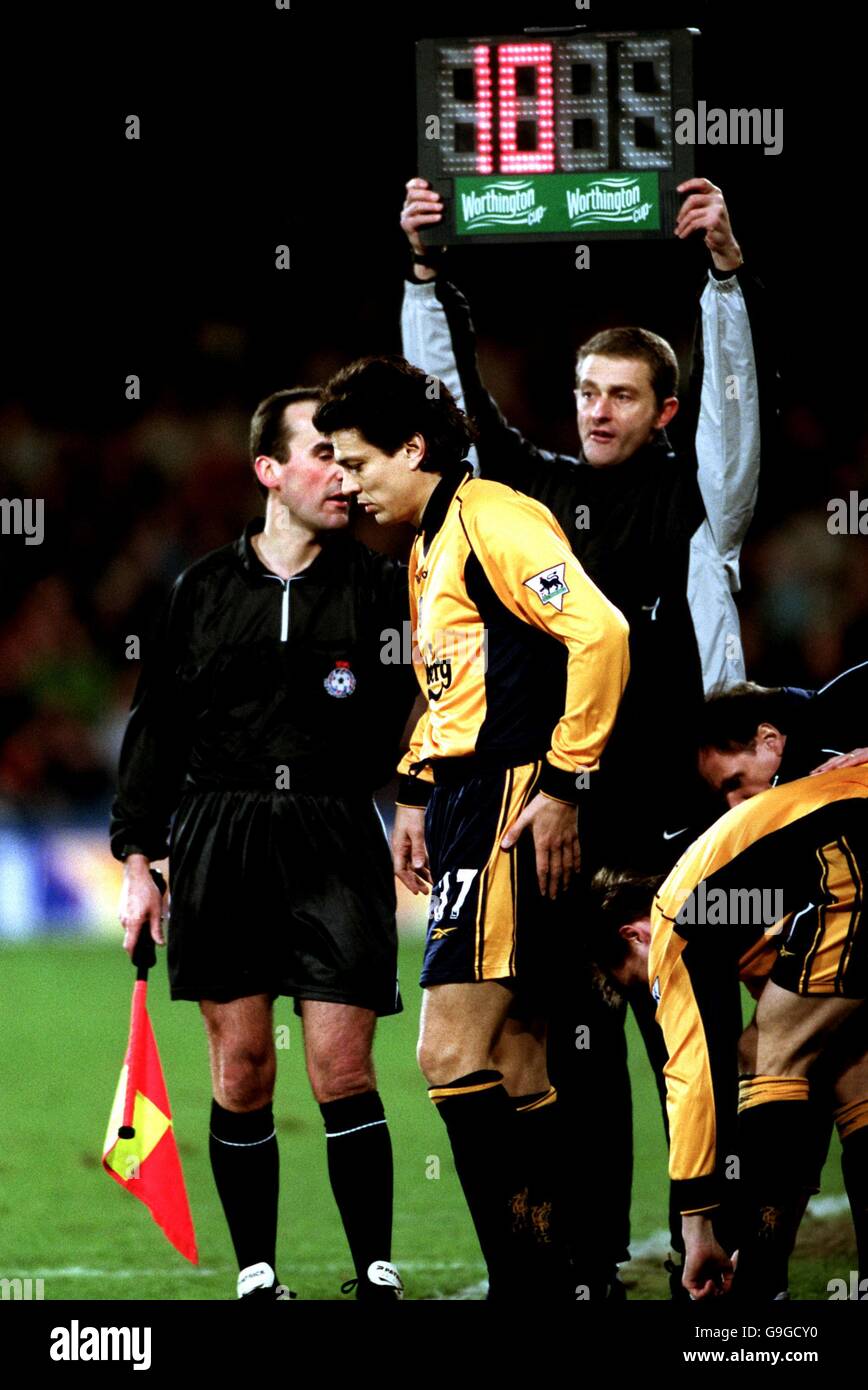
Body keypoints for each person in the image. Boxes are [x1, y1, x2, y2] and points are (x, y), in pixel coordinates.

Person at [400, 173, 774, 1291]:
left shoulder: (698, 502)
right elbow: (449, 408)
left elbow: (733, 418)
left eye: (621, 394)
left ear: (662, 410)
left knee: (699, 1044)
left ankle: (724, 1243)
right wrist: (427, 273)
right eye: (583, 390)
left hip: (678, 824)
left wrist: (722, 280)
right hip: (555, 823)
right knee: (577, 1058)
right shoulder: (528, 498)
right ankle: (595, 1262)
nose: (595, 408)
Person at [313, 354, 630, 1300]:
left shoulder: (493, 515)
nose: (344, 482)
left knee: (448, 1052)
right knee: (520, 1050)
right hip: (463, 798)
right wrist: (412, 787)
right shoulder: (428, 540)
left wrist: (567, 781)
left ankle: (524, 1282)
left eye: (357, 461)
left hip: (508, 799)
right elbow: (452, 684)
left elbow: (603, 634)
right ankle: (566, 1275)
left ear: (414, 447)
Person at [111, 387, 417, 1301]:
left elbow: (439, 695)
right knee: (242, 1070)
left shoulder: (380, 587)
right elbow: (154, 730)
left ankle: (374, 1272)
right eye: (322, 453)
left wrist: (412, 794)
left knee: (340, 1065)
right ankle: (258, 1276)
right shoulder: (200, 589)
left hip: (333, 831)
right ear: (269, 472)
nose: (343, 472)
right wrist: (137, 858)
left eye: (352, 455)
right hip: (220, 835)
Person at [589, 768, 868, 1301]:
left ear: (634, 934)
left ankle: (758, 1287)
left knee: (767, 1055)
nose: (655, 997)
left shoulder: (673, 923)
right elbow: (789, 953)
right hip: (850, 840)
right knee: (848, 1069)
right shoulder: (721, 890)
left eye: (638, 983)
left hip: (848, 852)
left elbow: (689, 1082)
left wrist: (696, 1226)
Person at [698, 660, 868, 809]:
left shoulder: (851, 697)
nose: (734, 805)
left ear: (769, 741)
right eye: (723, 795)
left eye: (735, 782)